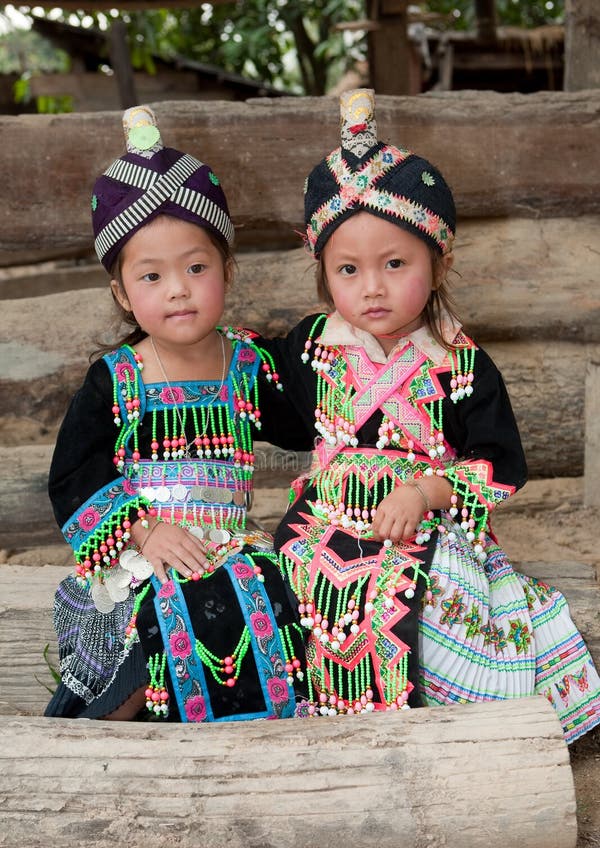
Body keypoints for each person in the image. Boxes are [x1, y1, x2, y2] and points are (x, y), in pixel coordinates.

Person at [265, 89, 600, 743]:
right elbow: (270, 410)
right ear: (323, 273)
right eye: (349, 269)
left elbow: (502, 461)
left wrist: (426, 490)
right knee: (286, 584)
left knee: (435, 610)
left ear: (439, 260)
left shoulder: (458, 358)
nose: (373, 287)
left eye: (396, 264)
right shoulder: (309, 346)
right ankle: (312, 730)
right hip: (323, 517)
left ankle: (439, 732)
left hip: (426, 525)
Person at [45, 106, 308, 723]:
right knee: (165, 608)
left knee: (267, 594)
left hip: (230, 542)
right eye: (152, 275)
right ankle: (112, 726)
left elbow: (307, 418)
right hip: (146, 550)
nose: (178, 289)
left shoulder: (248, 365)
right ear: (121, 292)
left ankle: (261, 736)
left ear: (227, 270)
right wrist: (145, 532)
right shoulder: (116, 380)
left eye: (196, 267)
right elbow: (72, 476)